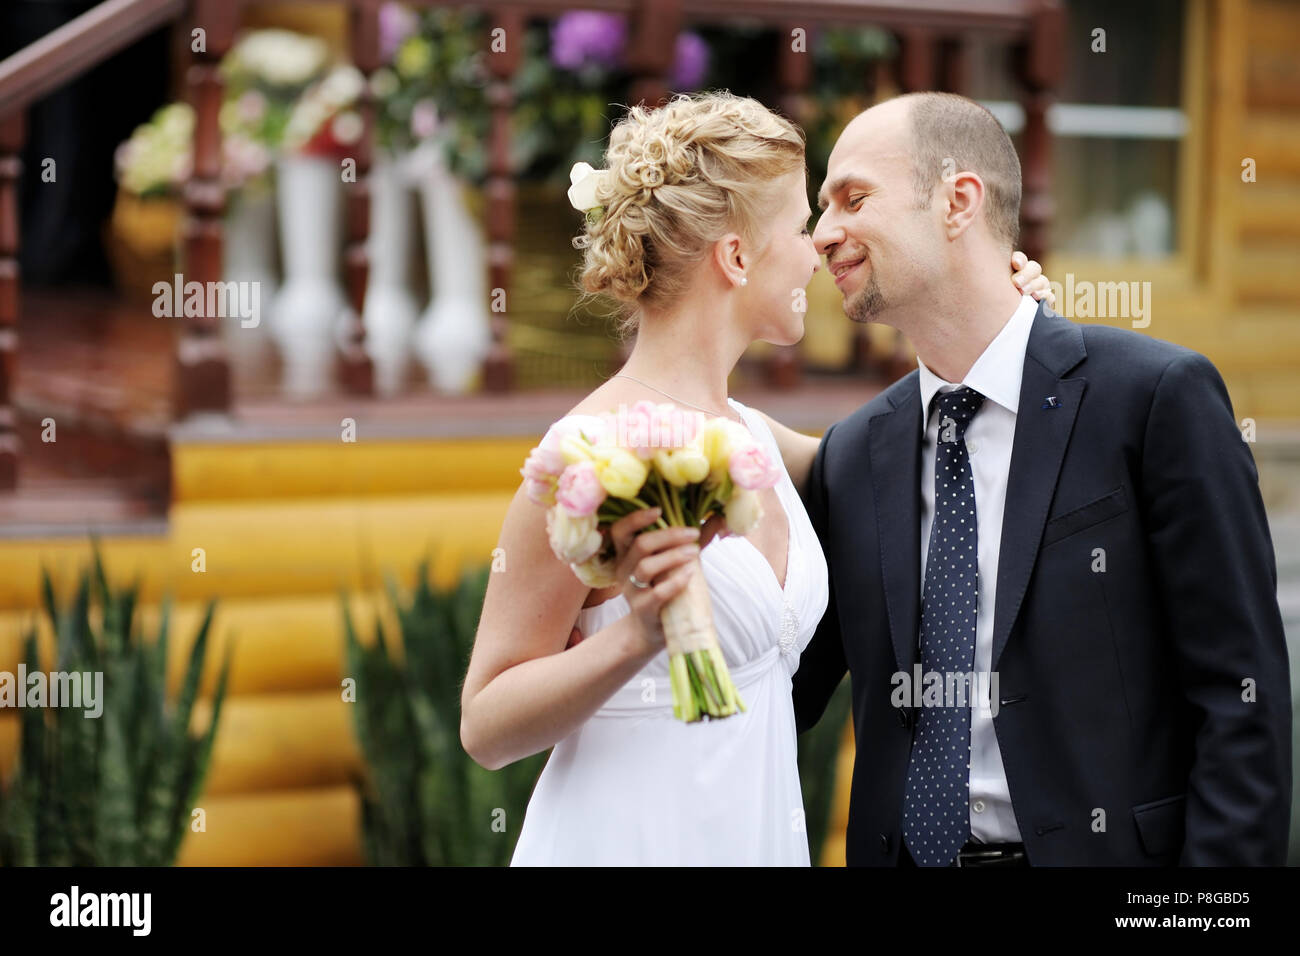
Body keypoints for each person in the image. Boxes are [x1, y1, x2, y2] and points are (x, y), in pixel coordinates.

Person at [460, 91, 1055, 865]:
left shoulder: (761, 443)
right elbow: (485, 724)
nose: (820, 250)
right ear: (737, 257)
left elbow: (917, 442)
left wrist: (1000, 312)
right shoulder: (589, 453)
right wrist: (638, 634)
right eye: (803, 228)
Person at [784, 91, 1292, 866]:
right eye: (820, 210)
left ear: (958, 201)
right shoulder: (853, 455)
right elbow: (781, 693)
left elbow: (1240, 696)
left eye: (853, 198)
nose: (824, 234)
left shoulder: (1153, 399)